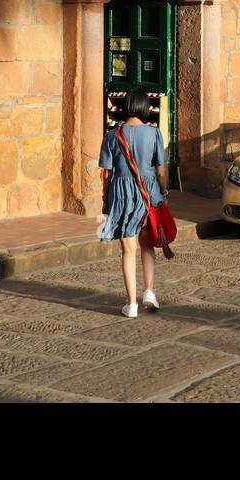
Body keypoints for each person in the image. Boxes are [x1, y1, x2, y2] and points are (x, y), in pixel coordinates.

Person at [98, 91, 169, 318]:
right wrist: (163, 191)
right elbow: (161, 170)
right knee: (147, 245)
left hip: (121, 194)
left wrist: (105, 198)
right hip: (148, 193)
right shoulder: (154, 134)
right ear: (144, 107)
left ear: (126, 106)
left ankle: (131, 304)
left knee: (128, 250)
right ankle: (149, 291)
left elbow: (106, 174)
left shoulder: (112, 136)